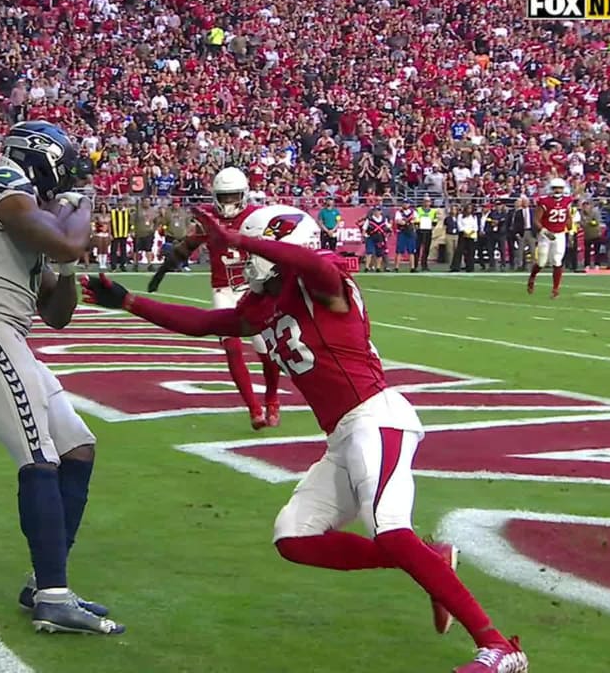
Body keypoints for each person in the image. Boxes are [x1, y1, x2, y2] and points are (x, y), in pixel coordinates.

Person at [81, 205, 528, 673]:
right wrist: (130, 302)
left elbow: (313, 265)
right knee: (294, 538)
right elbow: (205, 325)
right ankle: (428, 561)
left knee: (391, 529)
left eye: (249, 250)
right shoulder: (263, 303)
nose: (241, 261)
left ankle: (500, 647)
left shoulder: (320, 280)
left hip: (378, 417)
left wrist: (241, 239)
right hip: (342, 434)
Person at [0, 121, 120, 636]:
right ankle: (53, 597)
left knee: (77, 447)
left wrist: (69, 265)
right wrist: (81, 208)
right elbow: (65, 242)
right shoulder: (4, 183)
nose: (62, 182)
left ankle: (46, 580)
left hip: (11, 333)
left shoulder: (23, 207)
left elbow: (58, 313)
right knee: (40, 456)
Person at [149, 167, 281, 430]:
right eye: (225, 196)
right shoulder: (208, 219)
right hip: (224, 290)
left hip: (252, 289)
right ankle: (254, 408)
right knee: (232, 347)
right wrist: (162, 271)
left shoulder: (256, 217)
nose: (229, 202)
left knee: (266, 351)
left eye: (234, 196)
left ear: (243, 195)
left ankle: (272, 399)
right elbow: (185, 248)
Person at [528, 178, 574, 298]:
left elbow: (568, 216)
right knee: (542, 262)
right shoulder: (544, 201)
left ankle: (555, 289)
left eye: (560, 188)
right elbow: (536, 220)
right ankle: (532, 277)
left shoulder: (567, 200)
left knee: (557, 260)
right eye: (555, 188)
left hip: (559, 234)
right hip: (546, 234)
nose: (558, 190)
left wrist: (570, 231)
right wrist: (544, 231)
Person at [413, 197, 437, 271]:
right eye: (425, 201)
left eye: (428, 202)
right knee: (417, 248)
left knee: (426, 249)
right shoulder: (418, 210)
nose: (427, 203)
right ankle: (415, 265)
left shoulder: (433, 211)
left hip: (428, 231)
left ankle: (424, 265)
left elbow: (434, 221)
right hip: (420, 231)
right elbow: (415, 220)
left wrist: (432, 226)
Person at [393, 200, 417, 273]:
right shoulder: (399, 212)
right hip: (402, 231)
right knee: (399, 250)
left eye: (407, 203)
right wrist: (407, 221)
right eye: (404, 203)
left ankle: (412, 267)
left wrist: (406, 222)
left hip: (410, 232)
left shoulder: (413, 212)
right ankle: (396, 267)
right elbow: (398, 221)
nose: (405, 205)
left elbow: (415, 220)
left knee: (411, 251)